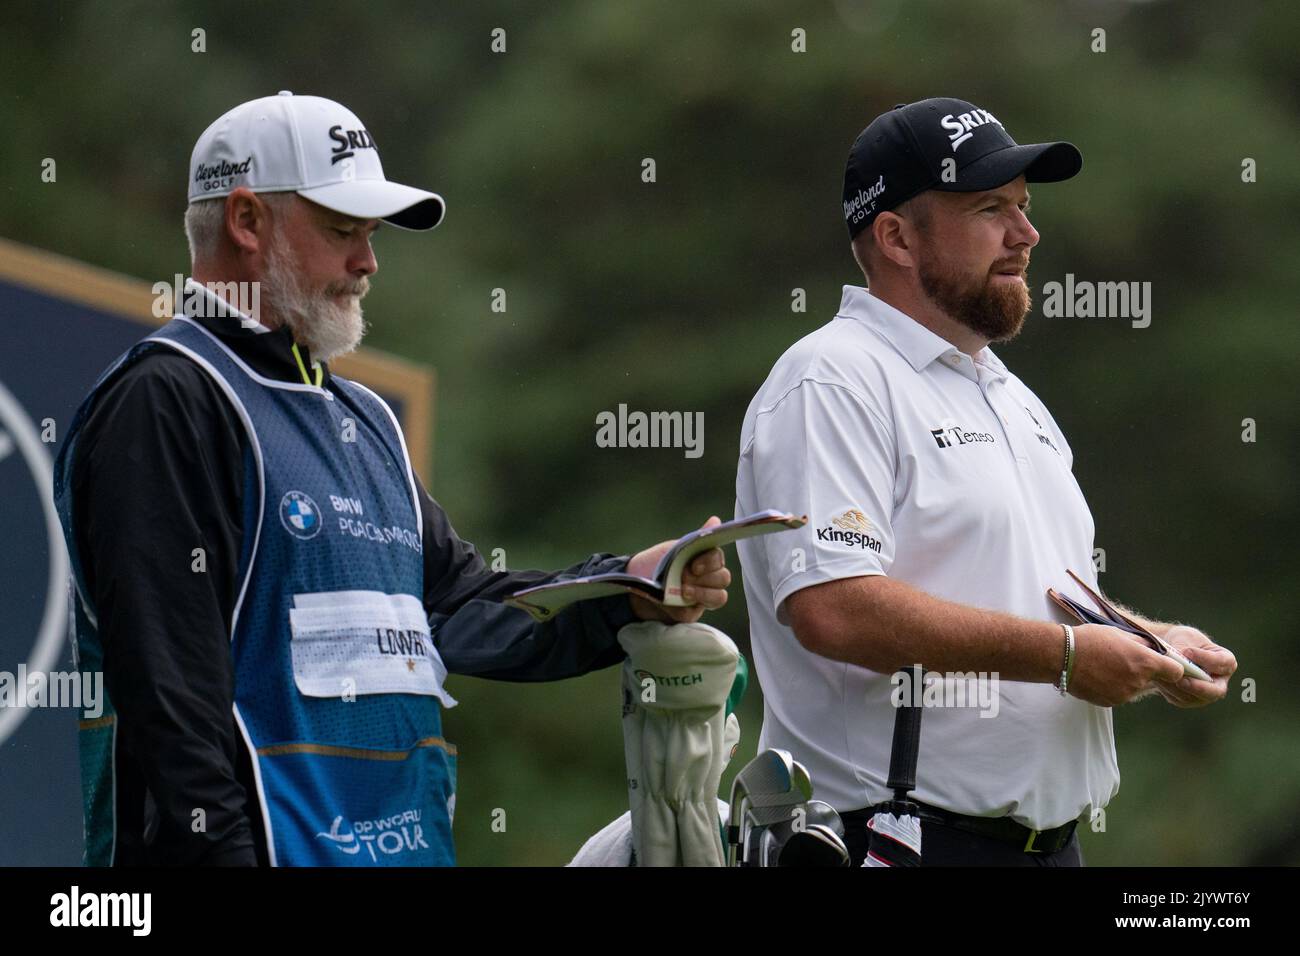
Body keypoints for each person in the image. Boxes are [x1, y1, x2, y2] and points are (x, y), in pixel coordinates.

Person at [52, 92, 731, 867]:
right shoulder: (166, 400)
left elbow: (459, 608)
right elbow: (172, 713)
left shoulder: (363, 414)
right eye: (343, 231)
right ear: (246, 222)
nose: (367, 262)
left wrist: (627, 591)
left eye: (371, 236)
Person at [733, 97, 1236, 866]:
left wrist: (1145, 640)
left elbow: (1024, 590)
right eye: (991, 208)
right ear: (897, 237)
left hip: (1045, 846)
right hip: (896, 837)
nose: (1026, 234)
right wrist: (1066, 657)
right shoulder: (830, 379)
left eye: (1025, 208)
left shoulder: (1007, 393)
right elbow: (834, 609)